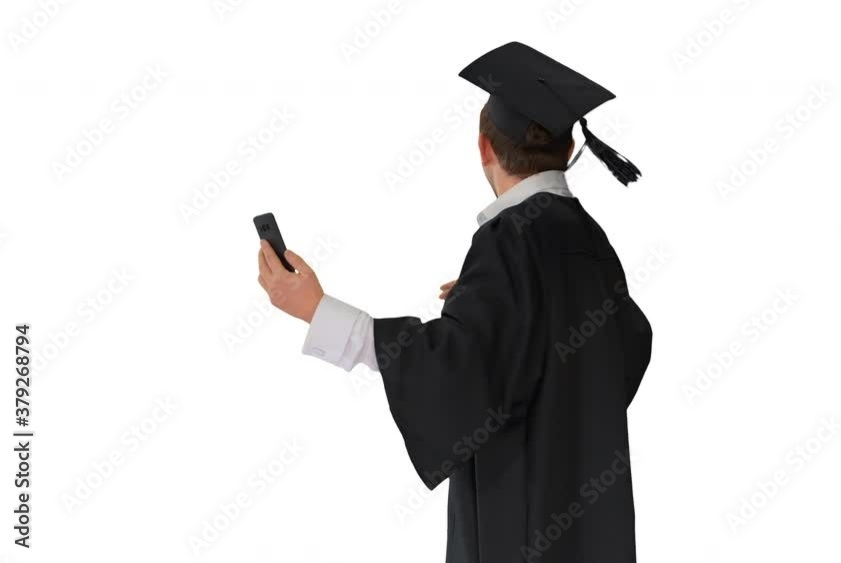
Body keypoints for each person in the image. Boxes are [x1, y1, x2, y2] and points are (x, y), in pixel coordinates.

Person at [257, 41, 653, 563]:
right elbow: (626, 341)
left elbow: (457, 371)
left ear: (484, 148)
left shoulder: (508, 239)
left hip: (524, 515)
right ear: (566, 152)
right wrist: (501, 312)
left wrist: (316, 308)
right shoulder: (587, 236)